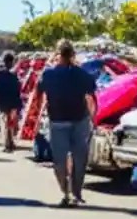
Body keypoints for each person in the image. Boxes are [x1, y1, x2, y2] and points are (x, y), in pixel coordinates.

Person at [33, 40, 98, 206]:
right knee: (79, 159)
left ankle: (66, 193)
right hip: (79, 120)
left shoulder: (48, 74)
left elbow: (39, 95)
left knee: (59, 161)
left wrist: (38, 118)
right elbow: (91, 95)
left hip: (58, 121)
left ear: (57, 54)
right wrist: (93, 117)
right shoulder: (82, 74)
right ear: (73, 55)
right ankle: (76, 193)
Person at [0, 51, 22, 152]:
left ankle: (7, 143)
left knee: (5, 122)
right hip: (13, 101)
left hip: (2, 101)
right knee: (10, 122)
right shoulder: (14, 75)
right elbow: (18, 89)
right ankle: (10, 142)